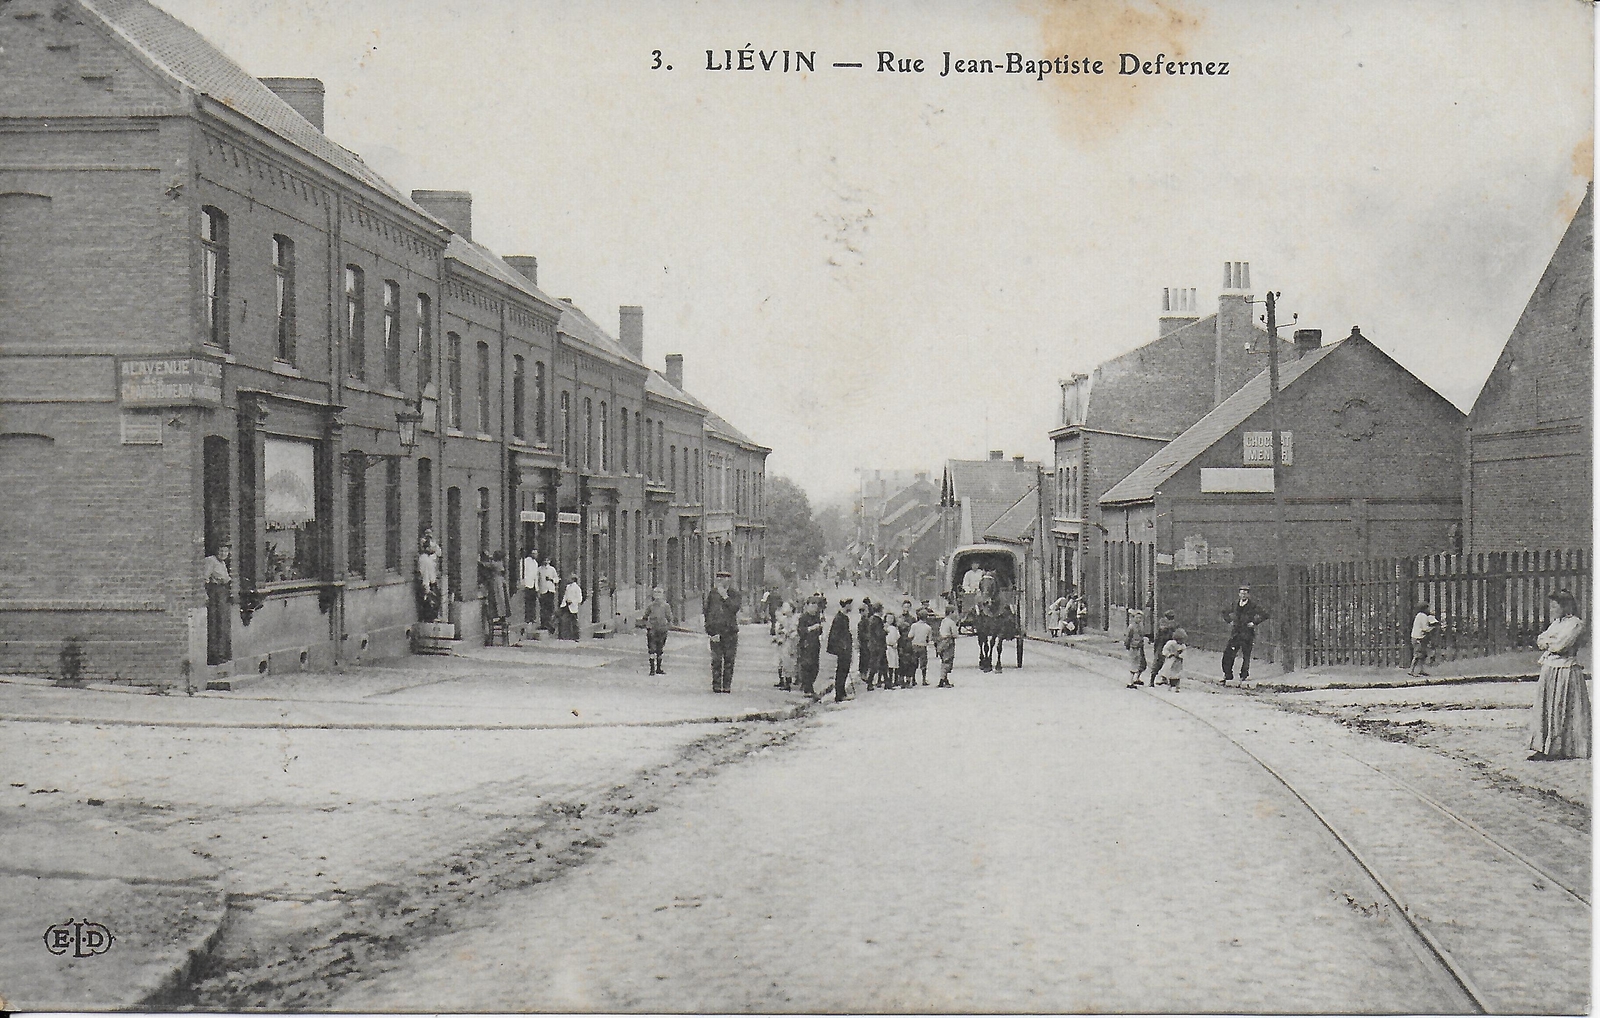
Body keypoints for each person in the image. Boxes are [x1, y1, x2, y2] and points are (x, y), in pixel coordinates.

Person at [1528, 590, 1591, 760]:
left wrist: (1549, 642)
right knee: (1546, 707)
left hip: (1565, 671)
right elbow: (1541, 639)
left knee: (1560, 707)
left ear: (1565, 606)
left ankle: (1560, 749)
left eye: (1555, 606)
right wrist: (1549, 641)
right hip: (1550, 668)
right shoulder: (1556, 623)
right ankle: (1544, 747)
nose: (1553, 610)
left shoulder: (1575, 624)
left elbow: (1560, 646)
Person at [1221, 585, 1269, 684]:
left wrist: (1254, 622)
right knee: (1229, 654)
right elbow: (1224, 612)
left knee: (1246, 655)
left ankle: (1244, 675)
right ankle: (1228, 675)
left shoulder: (1253, 605)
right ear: (1239, 594)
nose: (1243, 595)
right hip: (1236, 633)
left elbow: (1265, 614)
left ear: (1248, 595)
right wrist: (1229, 621)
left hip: (1247, 633)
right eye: (1242, 593)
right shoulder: (1235, 604)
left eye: (1245, 593)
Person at [704, 570, 742, 693]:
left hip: (730, 632)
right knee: (716, 660)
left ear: (729, 580)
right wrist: (710, 632)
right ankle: (716, 685)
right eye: (719, 579)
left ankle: (726, 685)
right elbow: (707, 613)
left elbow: (734, 608)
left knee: (729, 659)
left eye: (724, 579)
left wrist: (725, 597)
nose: (721, 581)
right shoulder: (712, 594)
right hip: (716, 632)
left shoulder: (734, 594)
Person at [203, 542, 232, 665]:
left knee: (223, 622)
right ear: (216, 551)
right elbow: (205, 577)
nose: (223, 554)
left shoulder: (222, 563)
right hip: (215, 593)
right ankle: (214, 655)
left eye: (226, 551)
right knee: (216, 622)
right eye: (221, 551)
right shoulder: (211, 561)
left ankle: (222, 653)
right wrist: (206, 593)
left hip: (223, 592)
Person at [639, 586, 674, 675]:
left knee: (660, 649)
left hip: (662, 630)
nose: (657, 595)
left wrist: (667, 627)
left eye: (659, 593)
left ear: (663, 595)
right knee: (652, 649)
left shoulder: (666, 606)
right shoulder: (650, 606)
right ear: (653, 595)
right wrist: (648, 625)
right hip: (652, 630)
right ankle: (652, 669)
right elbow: (645, 617)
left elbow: (670, 618)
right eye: (656, 593)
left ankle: (659, 668)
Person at [827, 597, 854, 702]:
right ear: (846, 605)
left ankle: (842, 693)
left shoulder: (844, 617)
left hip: (845, 649)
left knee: (844, 670)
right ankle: (839, 695)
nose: (851, 607)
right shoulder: (839, 618)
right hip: (842, 650)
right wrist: (842, 647)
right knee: (841, 671)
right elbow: (835, 635)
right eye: (850, 604)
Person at [796, 595, 824, 698]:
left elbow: (820, 631)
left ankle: (809, 686)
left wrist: (819, 628)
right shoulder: (803, 618)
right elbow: (800, 631)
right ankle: (807, 689)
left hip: (815, 644)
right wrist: (811, 628)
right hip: (806, 645)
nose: (814, 609)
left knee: (815, 667)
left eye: (815, 607)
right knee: (807, 666)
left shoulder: (816, 617)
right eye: (812, 606)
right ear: (807, 606)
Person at [416, 531, 442, 622]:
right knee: (430, 604)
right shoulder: (424, 559)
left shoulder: (429, 558)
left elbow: (438, 552)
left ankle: (432, 617)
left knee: (436, 601)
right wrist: (427, 589)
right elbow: (424, 574)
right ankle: (429, 619)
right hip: (428, 584)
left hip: (432, 583)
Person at [1407, 602, 1439, 677]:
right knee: (1417, 655)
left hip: (1418, 637)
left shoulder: (1420, 615)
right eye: (1428, 608)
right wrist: (1434, 627)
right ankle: (1411, 670)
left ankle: (1421, 670)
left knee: (1423, 655)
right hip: (1418, 638)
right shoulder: (1423, 616)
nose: (1429, 609)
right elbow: (1425, 629)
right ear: (1424, 609)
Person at [1150, 609, 1179, 686]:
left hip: (1170, 645)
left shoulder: (1173, 624)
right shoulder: (1162, 623)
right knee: (1158, 662)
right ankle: (1151, 680)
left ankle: (1165, 679)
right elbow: (1162, 630)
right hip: (1161, 645)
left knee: (1169, 662)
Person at [775, 601, 798, 690]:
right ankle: (783, 681)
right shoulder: (785, 619)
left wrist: (787, 633)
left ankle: (789, 682)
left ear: (791, 609)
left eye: (786, 607)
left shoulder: (795, 619)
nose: (783, 609)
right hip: (784, 642)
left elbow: (795, 630)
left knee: (789, 662)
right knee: (782, 661)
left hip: (791, 643)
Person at [908, 609, 934, 685]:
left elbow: (910, 635)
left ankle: (913, 679)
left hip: (915, 645)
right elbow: (929, 639)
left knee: (914, 663)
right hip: (923, 646)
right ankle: (923, 680)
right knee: (923, 663)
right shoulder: (928, 627)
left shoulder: (914, 625)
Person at [936, 604, 959, 687]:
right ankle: (942, 680)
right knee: (948, 660)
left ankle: (945, 680)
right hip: (948, 642)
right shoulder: (951, 622)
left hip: (941, 642)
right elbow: (955, 634)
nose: (955, 614)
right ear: (950, 613)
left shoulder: (944, 621)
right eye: (954, 612)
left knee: (944, 660)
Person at [1125, 609, 1149, 688]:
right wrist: (1128, 646)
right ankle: (1130, 682)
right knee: (1134, 664)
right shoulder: (1131, 627)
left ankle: (1137, 678)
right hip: (1133, 647)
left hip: (1140, 646)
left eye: (1140, 618)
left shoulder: (1141, 626)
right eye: (1137, 618)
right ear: (1133, 618)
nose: (1139, 619)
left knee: (1142, 663)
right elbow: (1128, 637)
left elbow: (1142, 635)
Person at [856, 598, 875, 690]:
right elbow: (861, 634)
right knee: (864, 658)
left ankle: (865, 673)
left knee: (868, 658)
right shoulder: (862, 622)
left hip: (869, 642)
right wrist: (868, 637)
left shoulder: (868, 620)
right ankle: (863, 674)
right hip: (864, 643)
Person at [538, 557, 560, 633]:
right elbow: (537, 580)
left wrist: (551, 579)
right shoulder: (539, 569)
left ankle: (550, 623)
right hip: (543, 590)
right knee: (543, 607)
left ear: (549, 561)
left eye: (547, 560)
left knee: (550, 607)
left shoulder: (552, 569)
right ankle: (543, 623)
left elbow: (557, 579)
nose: (546, 561)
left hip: (550, 590)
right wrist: (538, 590)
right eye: (544, 560)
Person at [559, 572, 584, 641]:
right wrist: (563, 604)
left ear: (573, 580)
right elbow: (565, 596)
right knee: (565, 620)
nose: (568, 580)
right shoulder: (568, 587)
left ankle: (576, 636)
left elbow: (579, 599)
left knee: (574, 622)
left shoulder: (577, 588)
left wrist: (572, 601)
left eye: (570, 579)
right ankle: (565, 636)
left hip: (573, 607)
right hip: (566, 606)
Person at [521, 548, 540, 628]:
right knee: (527, 602)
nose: (535, 555)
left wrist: (537, 587)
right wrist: (523, 582)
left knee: (532, 601)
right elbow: (521, 571)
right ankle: (527, 617)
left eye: (536, 553)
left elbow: (536, 576)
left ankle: (532, 617)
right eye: (533, 553)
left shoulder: (535, 563)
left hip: (533, 585)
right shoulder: (526, 561)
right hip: (527, 584)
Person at [883, 612, 901, 688]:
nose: (890, 620)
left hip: (894, 647)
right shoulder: (884, 627)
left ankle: (896, 680)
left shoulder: (894, 628)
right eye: (888, 618)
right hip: (888, 647)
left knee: (895, 663)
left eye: (892, 618)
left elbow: (897, 636)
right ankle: (889, 680)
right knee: (889, 664)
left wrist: (895, 643)